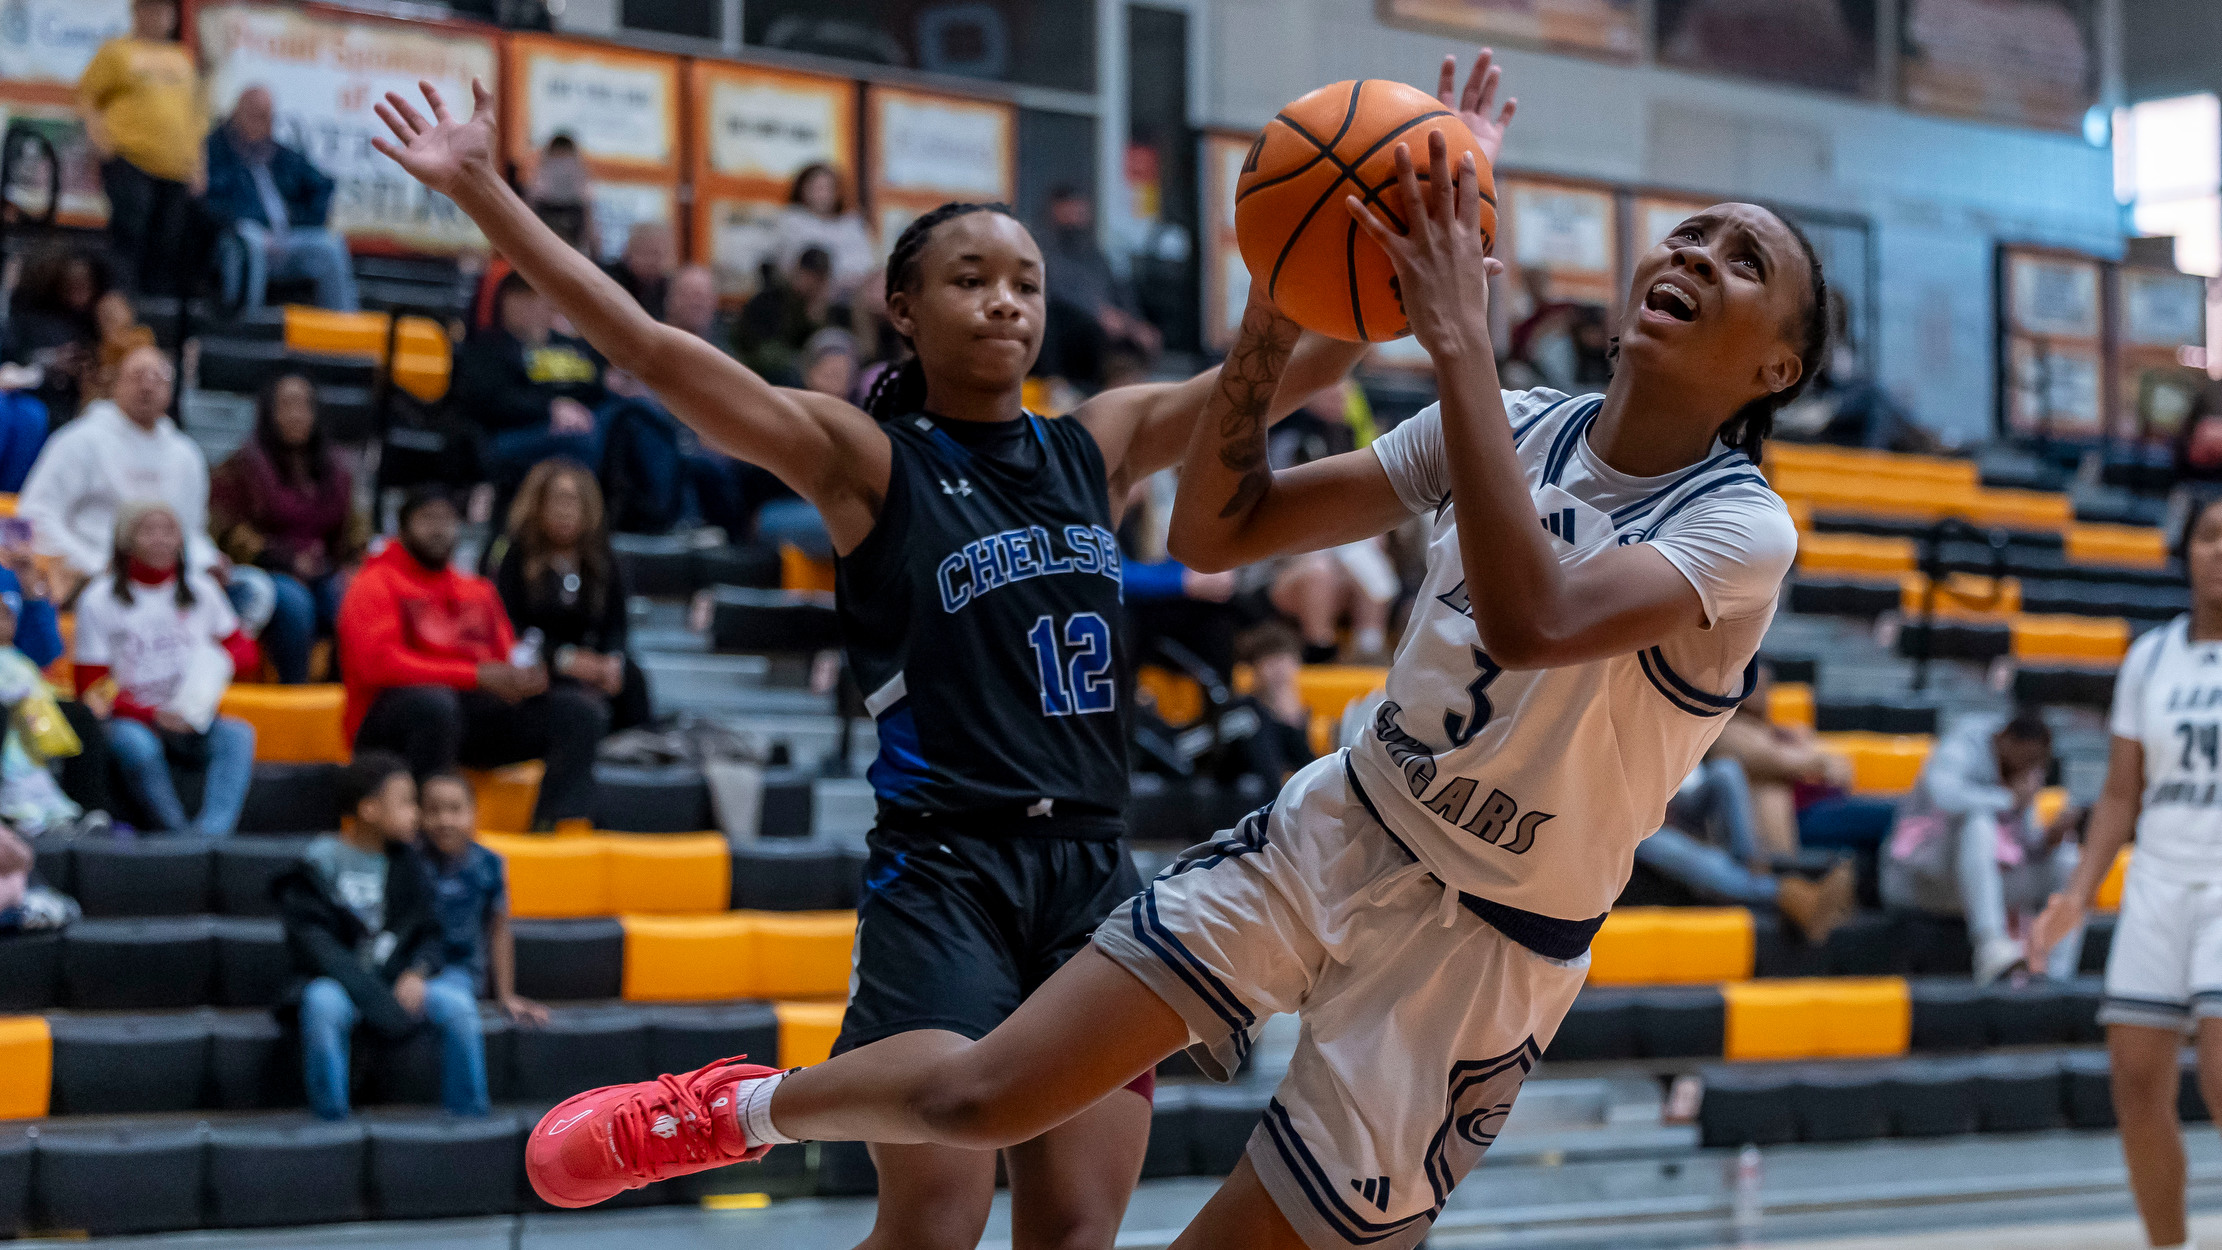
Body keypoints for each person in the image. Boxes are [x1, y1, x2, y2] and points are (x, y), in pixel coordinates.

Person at [515, 77, 1827, 1250]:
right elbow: (1219, 527)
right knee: (981, 1097)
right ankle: (728, 1108)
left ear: (1776, 364)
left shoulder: (1737, 527)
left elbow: (1534, 613)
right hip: (1333, 828)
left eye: (1741, 255)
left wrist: (1453, 341)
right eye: (1689, 230)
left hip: (1490, 944)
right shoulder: (1511, 420)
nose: (1696, 251)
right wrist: (1284, 286)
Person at [372, 58, 1389, 1239]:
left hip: (1093, 874)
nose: (1006, 300)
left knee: (1071, 1232)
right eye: (970, 278)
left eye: (1025, 280)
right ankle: (717, 1107)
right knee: (932, 1225)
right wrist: (486, 193)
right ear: (902, 308)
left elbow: (1291, 371)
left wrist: (1401, 214)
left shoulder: (1096, 444)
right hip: (947, 868)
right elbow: (649, 351)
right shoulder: (866, 459)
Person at [2031, 493, 2222, 1250]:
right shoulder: (2150, 658)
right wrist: (2077, 894)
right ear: (2186, 553)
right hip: (2157, 884)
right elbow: (2118, 794)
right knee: (2136, 1084)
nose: (2221, 551)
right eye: (2209, 537)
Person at [338, 486, 607, 830]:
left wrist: (525, 679)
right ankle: (423, 830)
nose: (438, 530)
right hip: (393, 724)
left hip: (470, 720)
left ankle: (553, 828)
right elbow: (378, 665)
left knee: (580, 712)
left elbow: (508, 657)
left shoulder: (477, 590)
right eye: (427, 520)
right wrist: (476, 676)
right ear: (402, 530)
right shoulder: (374, 582)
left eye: (447, 521)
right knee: (434, 704)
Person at [274, 752, 491, 1120]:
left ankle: (469, 1118)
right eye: (406, 802)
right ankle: (332, 1121)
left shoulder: (409, 863)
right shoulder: (318, 863)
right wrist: (381, 1005)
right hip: (339, 980)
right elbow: (318, 948)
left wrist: (417, 971)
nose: (416, 815)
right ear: (370, 810)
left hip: (397, 979)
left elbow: (430, 932)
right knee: (321, 1004)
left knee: (459, 1007)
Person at [72, 503, 258, 836]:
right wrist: (152, 715)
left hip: (193, 716)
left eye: (168, 530)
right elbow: (91, 689)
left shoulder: (201, 590)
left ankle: (212, 834)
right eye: (149, 530)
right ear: (126, 540)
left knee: (239, 735)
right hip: (129, 717)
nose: (160, 540)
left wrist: (210, 672)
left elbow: (245, 651)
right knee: (137, 744)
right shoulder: (98, 599)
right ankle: (175, 833)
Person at [1881, 709, 2081, 983]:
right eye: (2027, 758)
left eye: (2038, 762)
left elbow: (2020, 847)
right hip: (1922, 878)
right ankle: (1991, 945)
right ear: (2006, 741)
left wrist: (2047, 841)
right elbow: (1945, 796)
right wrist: (2009, 799)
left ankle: (2056, 972)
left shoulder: (2024, 774)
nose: (2031, 767)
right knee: (1978, 823)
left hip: (1983, 886)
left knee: (2068, 858)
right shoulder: (1962, 745)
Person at [19, 344, 212, 598]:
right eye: (137, 376)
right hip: (94, 577)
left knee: (252, 588)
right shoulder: (80, 440)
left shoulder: (186, 454)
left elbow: (191, 531)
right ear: (116, 383)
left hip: (168, 582)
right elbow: (36, 514)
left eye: (158, 378)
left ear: (170, 389)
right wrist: (92, 565)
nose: (147, 386)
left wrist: (208, 562)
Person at [211, 373, 366, 684]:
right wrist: (284, 558)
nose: (296, 415)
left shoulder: (338, 468)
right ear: (269, 413)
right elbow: (226, 530)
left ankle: (338, 690)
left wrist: (346, 564)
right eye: (286, 406)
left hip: (325, 569)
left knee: (352, 601)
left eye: (304, 406)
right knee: (296, 604)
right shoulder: (241, 465)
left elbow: (355, 532)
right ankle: (294, 693)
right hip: (263, 569)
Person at [490, 460, 649, 732]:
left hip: (592, 658)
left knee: (630, 676)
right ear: (538, 505)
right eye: (557, 501)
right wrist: (562, 659)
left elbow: (616, 623)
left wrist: (612, 658)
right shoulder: (512, 554)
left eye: (573, 502)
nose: (565, 512)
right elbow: (506, 625)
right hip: (537, 658)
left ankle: (640, 750)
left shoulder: (603, 558)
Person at [1633, 758, 1856, 941]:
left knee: (1727, 770)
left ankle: (1753, 867)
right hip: (1632, 823)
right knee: (1658, 841)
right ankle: (1784, 893)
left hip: (1672, 800)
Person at [76, 0, 206, 297]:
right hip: (131, 161)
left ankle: (157, 310)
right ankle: (123, 303)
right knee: (130, 236)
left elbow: (196, 116)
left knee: (168, 242)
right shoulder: (116, 52)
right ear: (138, 12)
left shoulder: (183, 58)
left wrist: (199, 164)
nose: (161, 17)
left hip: (176, 169)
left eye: (165, 11)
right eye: (153, 9)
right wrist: (102, 144)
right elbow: (88, 98)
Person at [204, 85, 359, 312]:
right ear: (236, 113)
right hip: (239, 238)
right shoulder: (216, 151)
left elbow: (322, 186)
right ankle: (248, 324)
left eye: (266, 116)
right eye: (254, 114)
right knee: (251, 241)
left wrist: (304, 220)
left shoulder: (280, 154)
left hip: (286, 238)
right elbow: (211, 201)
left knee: (330, 245)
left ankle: (345, 329)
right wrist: (247, 224)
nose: (260, 122)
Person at [452, 272, 608, 492]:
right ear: (504, 301)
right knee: (581, 440)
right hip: (509, 435)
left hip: (578, 422)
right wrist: (550, 409)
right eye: (520, 299)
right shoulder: (488, 348)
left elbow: (594, 385)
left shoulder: (568, 345)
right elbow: (489, 400)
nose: (528, 308)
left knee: (627, 415)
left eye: (535, 299)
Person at [419, 769, 549, 1025]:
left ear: (473, 813)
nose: (444, 820)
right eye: (433, 810)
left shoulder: (489, 864)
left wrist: (505, 995)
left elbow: (499, 930)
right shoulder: (410, 861)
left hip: (461, 973)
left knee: (455, 1005)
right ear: (419, 815)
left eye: (455, 810)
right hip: (414, 971)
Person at [2, 246, 112, 426]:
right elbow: (12, 360)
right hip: (36, 397)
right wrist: (50, 361)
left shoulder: (97, 320)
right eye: (72, 286)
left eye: (85, 286)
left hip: (78, 405)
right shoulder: (33, 317)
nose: (79, 293)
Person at [770, 162, 878, 298]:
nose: (822, 194)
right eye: (816, 187)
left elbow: (866, 264)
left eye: (827, 187)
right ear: (802, 189)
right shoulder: (790, 220)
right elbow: (793, 264)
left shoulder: (853, 224)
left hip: (850, 300)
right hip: (803, 300)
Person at [736, 246, 839, 384]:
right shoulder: (768, 300)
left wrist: (815, 320)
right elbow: (763, 353)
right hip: (759, 376)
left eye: (820, 279)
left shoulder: (824, 309)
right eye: (810, 275)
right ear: (797, 271)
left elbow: (826, 350)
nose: (813, 283)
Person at [603, 220, 673, 320]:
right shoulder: (608, 280)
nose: (655, 262)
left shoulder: (668, 289)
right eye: (650, 253)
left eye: (662, 255)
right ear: (628, 252)